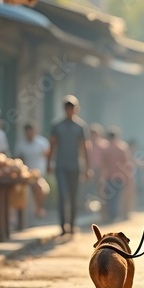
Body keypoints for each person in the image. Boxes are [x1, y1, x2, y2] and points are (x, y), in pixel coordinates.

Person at [49, 96, 90, 235]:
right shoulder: (57, 126)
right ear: (64, 109)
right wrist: (49, 162)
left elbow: (84, 148)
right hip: (61, 165)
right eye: (67, 108)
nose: (69, 110)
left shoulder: (80, 127)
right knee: (62, 195)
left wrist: (87, 167)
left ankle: (72, 224)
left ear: (76, 109)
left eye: (71, 108)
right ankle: (62, 226)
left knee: (73, 196)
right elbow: (52, 145)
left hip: (75, 166)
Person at [16, 123, 50, 219]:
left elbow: (48, 156)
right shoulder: (21, 144)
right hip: (26, 175)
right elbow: (18, 159)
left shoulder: (42, 143)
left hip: (40, 174)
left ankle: (39, 208)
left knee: (41, 189)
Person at [99, 127, 132, 222]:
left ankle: (112, 215)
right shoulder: (122, 148)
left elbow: (103, 164)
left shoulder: (105, 149)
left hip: (109, 176)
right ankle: (116, 215)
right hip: (120, 177)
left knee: (110, 197)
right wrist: (128, 177)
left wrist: (102, 177)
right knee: (118, 197)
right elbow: (127, 163)